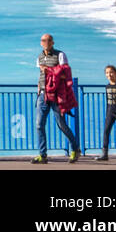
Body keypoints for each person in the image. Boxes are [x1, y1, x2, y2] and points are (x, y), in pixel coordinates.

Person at [33, 33, 79, 163]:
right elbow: (41, 75)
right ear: (41, 43)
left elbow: (66, 75)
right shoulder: (39, 57)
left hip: (56, 94)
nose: (45, 42)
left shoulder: (60, 55)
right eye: (43, 40)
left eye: (48, 40)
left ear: (53, 42)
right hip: (42, 94)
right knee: (39, 125)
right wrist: (39, 87)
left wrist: (50, 71)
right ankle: (43, 155)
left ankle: (75, 149)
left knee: (61, 124)